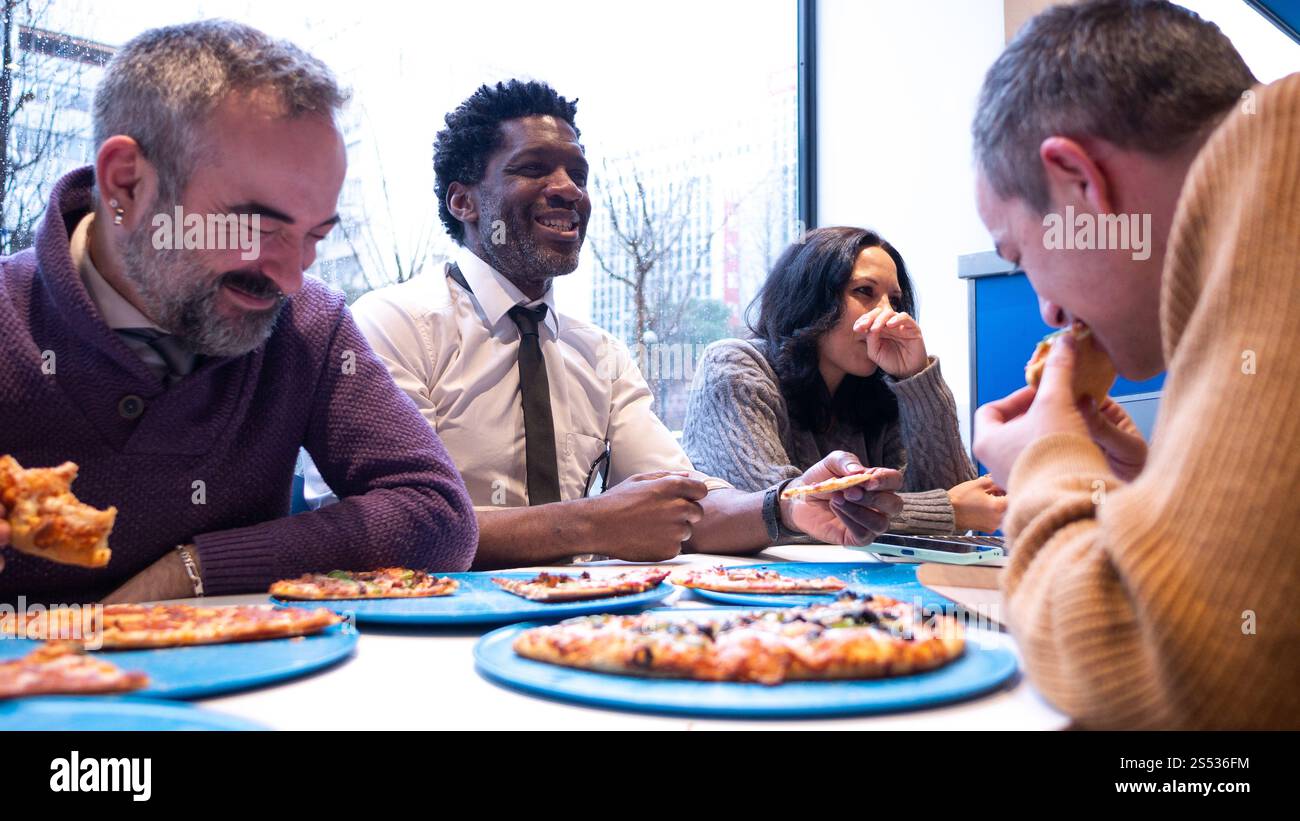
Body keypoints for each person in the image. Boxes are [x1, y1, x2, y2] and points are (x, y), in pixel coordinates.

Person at [305, 80, 906, 566]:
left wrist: (790, 504)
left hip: (576, 625)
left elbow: (684, 500)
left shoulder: (598, 353)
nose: (568, 190)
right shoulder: (392, 323)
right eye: (534, 168)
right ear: (463, 202)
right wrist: (594, 522)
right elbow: (392, 525)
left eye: (578, 173)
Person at [0, 21, 477, 604]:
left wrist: (197, 569)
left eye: (315, 235)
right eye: (257, 226)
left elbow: (437, 514)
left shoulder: (308, 327)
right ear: (126, 185)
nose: (290, 277)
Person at [970, 0, 1299, 728]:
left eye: (1021, 257)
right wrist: (1145, 496)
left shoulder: (1284, 160)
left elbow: (1180, 677)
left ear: (1080, 184)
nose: (1049, 313)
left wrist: (1046, 465)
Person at [683, 227, 1006, 534]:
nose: (888, 314)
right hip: (746, 581)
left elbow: (960, 498)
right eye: (864, 291)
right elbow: (785, 511)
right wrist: (945, 510)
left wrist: (916, 378)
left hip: (854, 583)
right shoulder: (733, 365)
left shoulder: (877, 387)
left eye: (894, 300)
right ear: (809, 298)